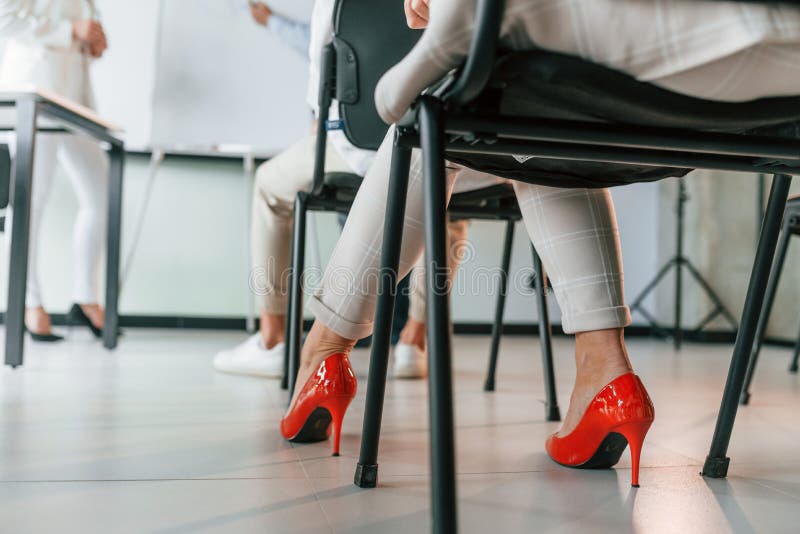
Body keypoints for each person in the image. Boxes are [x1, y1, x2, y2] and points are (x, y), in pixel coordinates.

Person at [280, 0, 800, 484]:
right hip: (783, 88)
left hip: (653, 47)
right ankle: (604, 369)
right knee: (530, 128)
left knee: (453, 114)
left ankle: (324, 348)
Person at [214, 0, 476, 380]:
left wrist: (321, 119)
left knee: (269, 188)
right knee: (450, 200)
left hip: (356, 144)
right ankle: (414, 343)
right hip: (449, 142)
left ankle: (273, 341)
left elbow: (325, 54)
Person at [0, 0, 115, 341]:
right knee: (30, 199)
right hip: (35, 91)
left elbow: (84, 22)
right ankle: (27, 303)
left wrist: (94, 41)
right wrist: (69, 31)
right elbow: (5, 18)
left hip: (74, 100)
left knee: (103, 192)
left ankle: (86, 298)